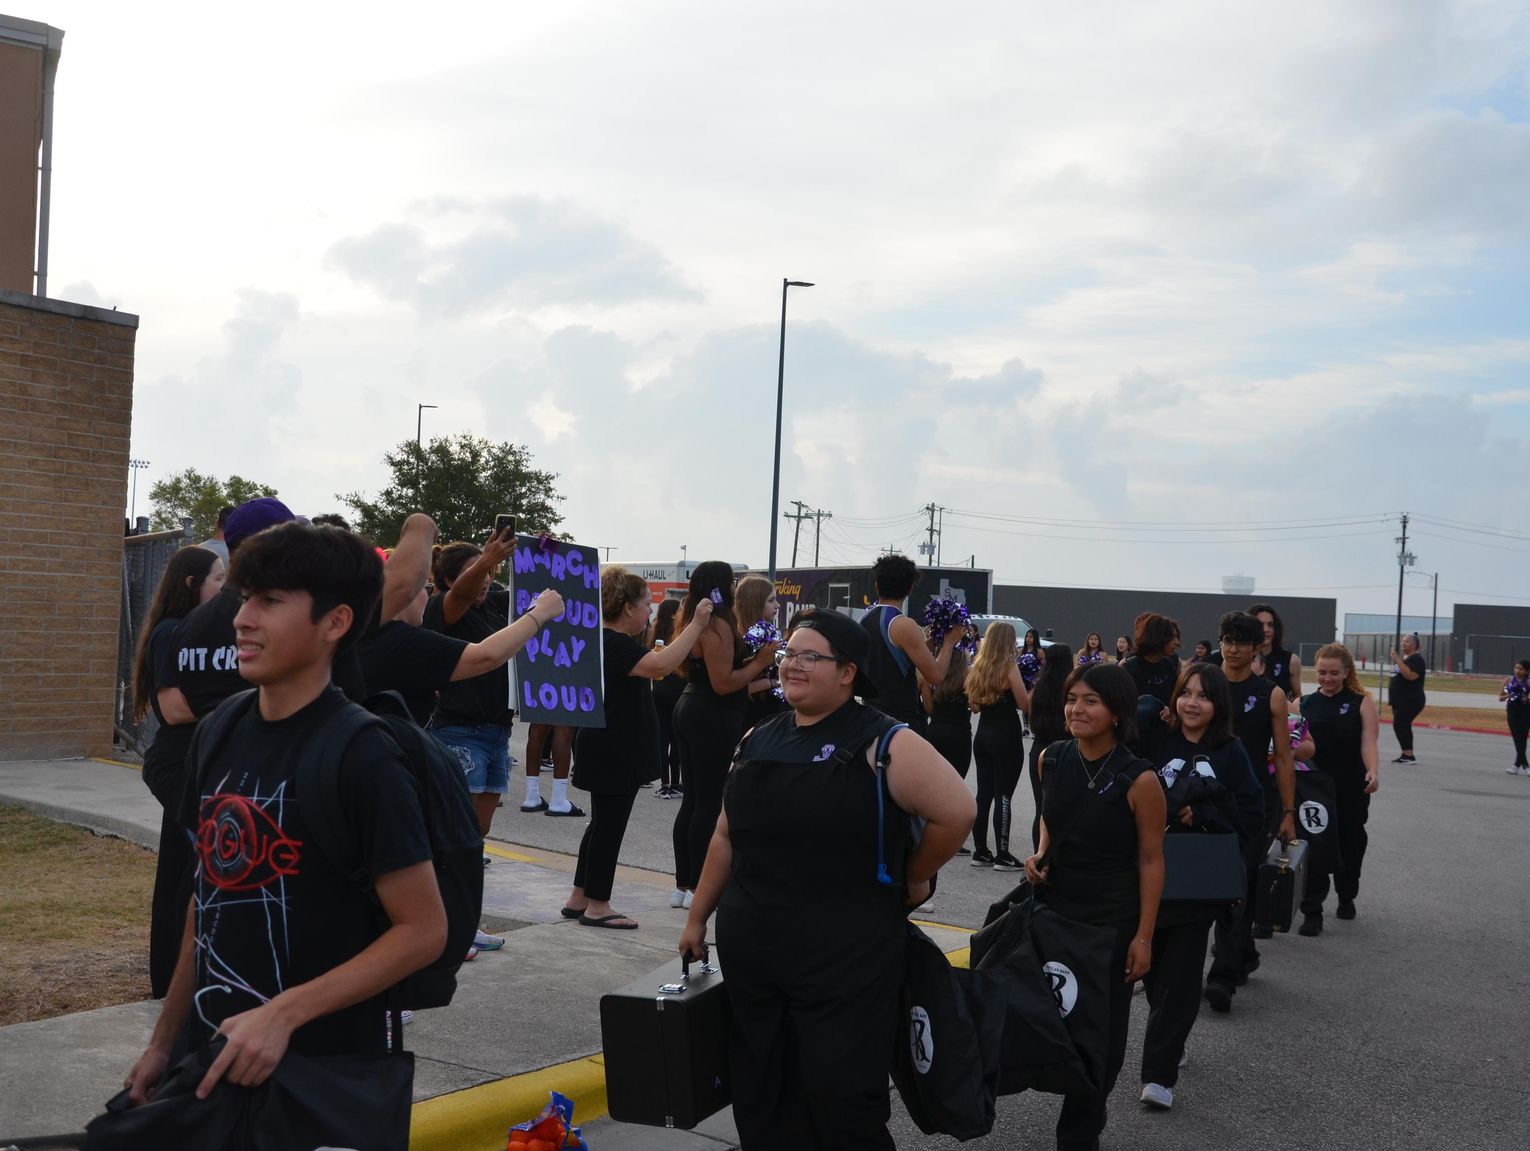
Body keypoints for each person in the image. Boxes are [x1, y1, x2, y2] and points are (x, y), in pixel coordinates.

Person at [123, 523, 445, 1150]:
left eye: (270, 601)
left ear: (335, 623)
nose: (242, 619)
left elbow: (422, 930)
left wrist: (283, 1015)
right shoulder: (219, 731)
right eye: (244, 598)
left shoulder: (363, 753)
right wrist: (164, 1041)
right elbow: (208, 893)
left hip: (320, 1076)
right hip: (213, 1060)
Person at [677, 608, 974, 1151]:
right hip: (755, 950)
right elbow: (725, 835)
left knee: (840, 1097)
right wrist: (697, 916)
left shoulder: (884, 742)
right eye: (790, 654)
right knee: (762, 1090)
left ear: (848, 672)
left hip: (846, 957)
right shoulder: (757, 737)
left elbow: (957, 812)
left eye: (810, 657)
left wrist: (913, 876)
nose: (792, 665)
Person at [1023, 662, 1165, 1151]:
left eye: (1090, 701)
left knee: (1102, 1040)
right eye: (1072, 699)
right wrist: (1041, 851)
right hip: (1056, 911)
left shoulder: (1141, 779)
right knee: (1048, 1018)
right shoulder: (1052, 758)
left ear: (1117, 712)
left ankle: (1080, 1132)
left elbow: (1151, 859)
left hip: (1111, 923)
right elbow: (1049, 817)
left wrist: (1143, 937)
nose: (1076, 709)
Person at [1138, 664, 1263, 1111]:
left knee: (1182, 975)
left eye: (1203, 696)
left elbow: (1252, 815)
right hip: (1145, 875)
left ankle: (1159, 1073)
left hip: (1196, 882)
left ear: (1218, 706)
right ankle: (1169, 1036)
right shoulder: (1155, 741)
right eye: (1185, 693)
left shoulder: (1231, 753)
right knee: (1153, 974)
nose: (1192, 703)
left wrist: (1204, 812)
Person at [561, 568, 713, 929]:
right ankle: (598, 904)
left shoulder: (605, 641)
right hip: (615, 748)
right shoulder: (616, 645)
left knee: (600, 824)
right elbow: (662, 664)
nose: (650, 612)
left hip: (605, 745)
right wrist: (696, 624)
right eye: (647, 605)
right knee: (609, 827)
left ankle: (580, 896)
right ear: (627, 608)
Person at [130, 545, 226, 997]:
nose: (226, 590)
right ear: (192, 585)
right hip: (178, 765)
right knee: (194, 871)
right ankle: (175, 978)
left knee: (179, 871)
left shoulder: (194, 633)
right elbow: (173, 708)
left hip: (196, 764)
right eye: (218, 580)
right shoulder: (173, 632)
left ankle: (171, 977)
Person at [1204, 611, 1297, 1012]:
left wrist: (1289, 812)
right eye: (1227, 639)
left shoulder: (1271, 694)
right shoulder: (1201, 684)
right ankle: (1242, 954)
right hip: (1201, 800)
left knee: (1236, 890)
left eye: (1242, 642)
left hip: (1250, 806)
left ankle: (1222, 975)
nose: (1232, 648)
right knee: (1198, 886)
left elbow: (1285, 758)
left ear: (1258, 647)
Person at [671, 562, 778, 908]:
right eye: (731, 581)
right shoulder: (715, 625)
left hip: (693, 707)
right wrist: (761, 662)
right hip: (711, 714)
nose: (735, 587)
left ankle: (684, 885)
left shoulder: (695, 618)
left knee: (693, 800)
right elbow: (724, 683)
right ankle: (698, 887)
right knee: (708, 802)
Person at [1299, 644, 1380, 934]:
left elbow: (1368, 742)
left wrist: (1373, 770)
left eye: (1334, 673)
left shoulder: (1361, 702)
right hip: (1314, 787)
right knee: (1314, 845)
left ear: (1347, 672)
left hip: (1350, 785)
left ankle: (1347, 894)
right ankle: (1312, 910)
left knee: (1351, 843)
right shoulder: (1304, 703)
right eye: (1322, 672)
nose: (1328, 678)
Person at [857, 554, 963, 735]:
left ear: (877, 586)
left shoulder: (864, 620)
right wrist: (949, 642)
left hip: (870, 716)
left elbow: (896, 654)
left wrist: (932, 641)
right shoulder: (904, 624)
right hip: (900, 721)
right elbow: (936, 676)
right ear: (910, 589)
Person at [966, 621, 1031, 870]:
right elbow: (1024, 704)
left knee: (983, 794)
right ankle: (1003, 853)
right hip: (1006, 735)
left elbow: (973, 705)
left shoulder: (978, 666)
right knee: (1003, 796)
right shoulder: (1009, 667)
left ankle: (980, 850)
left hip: (982, 734)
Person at [1027, 643, 1074, 850]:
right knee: (1066, 808)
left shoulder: (1038, 687)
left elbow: (1030, 716)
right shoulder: (1071, 690)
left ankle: (1039, 853)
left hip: (1039, 747)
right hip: (1065, 747)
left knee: (1041, 808)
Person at [735, 575, 788, 732]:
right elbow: (735, 687)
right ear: (755, 603)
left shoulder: (768, 632)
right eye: (771, 601)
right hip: (755, 715)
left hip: (770, 710)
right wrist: (774, 683)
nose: (778, 605)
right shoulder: (742, 640)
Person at [921, 628, 973, 781]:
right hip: (959, 733)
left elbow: (929, 708)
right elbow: (974, 706)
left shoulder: (931, 675)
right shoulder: (967, 674)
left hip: (935, 730)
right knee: (956, 783)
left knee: (932, 783)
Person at [648, 598, 686, 797]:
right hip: (677, 690)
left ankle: (664, 784)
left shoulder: (656, 631)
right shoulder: (678, 632)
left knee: (662, 738)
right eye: (679, 608)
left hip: (658, 689)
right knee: (677, 738)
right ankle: (676, 782)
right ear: (673, 614)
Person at [1121, 613, 1181, 708]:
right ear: (1157, 637)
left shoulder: (1170, 665)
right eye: (1172, 638)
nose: (1177, 642)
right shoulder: (1130, 668)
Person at [1388, 633, 1427, 763]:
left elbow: (1411, 676)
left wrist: (1397, 659)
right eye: (1402, 641)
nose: (1403, 643)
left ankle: (1408, 755)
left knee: (1400, 725)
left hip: (1411, 700)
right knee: (1402, 725)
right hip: (1400, 700)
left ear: (1414, 645)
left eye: (1406, 642)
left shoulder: (1416, 660)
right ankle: (1407, 754)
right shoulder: (1406, 659)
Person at [1249, 603, 1302, 699]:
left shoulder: (1291, 660)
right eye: (1260, 625)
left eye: (1270, 625)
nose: (1266, 629)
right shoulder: (1242, 658)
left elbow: (1297, 695)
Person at [1502, 660, 1530, 774]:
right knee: (1517, 739)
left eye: (1521, 669)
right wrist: (1510, 694)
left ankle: (1516, 766)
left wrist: (1527, 699)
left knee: (1522, 740)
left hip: (1525, 712)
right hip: (1512, 711)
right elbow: (1500, 697)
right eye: (1516, 668)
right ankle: (1526, 766)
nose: (1518, 671)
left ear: (1526, 671)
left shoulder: (1528, 682)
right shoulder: (1508, 681)